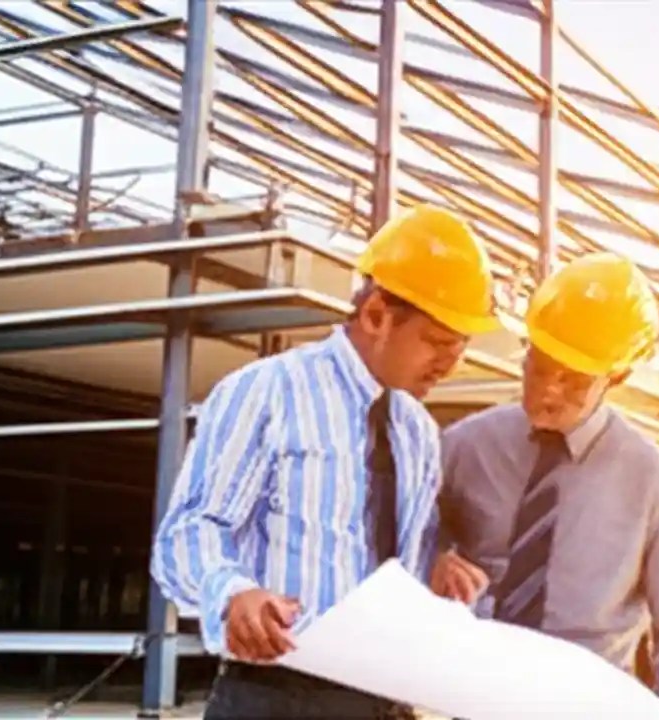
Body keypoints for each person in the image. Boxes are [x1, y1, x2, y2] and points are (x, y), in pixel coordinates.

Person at [150, 205, 500, 719]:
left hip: (382, 697)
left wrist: (435, 568)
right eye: (438, 342)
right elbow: (188, 531)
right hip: (277, 698)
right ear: (376, 315)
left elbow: (394, 560)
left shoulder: (418, 431)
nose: (450, 363)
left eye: (461, 346)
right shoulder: (268, 391)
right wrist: (233, 592)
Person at [431, 253, 659, 720]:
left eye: (574, 380)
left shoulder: (655, 484)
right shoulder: (465, 447)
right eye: (540, 366)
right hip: (474, 701)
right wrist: (433, 557)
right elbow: (403, 535)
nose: (548, 389)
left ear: (616, 377)